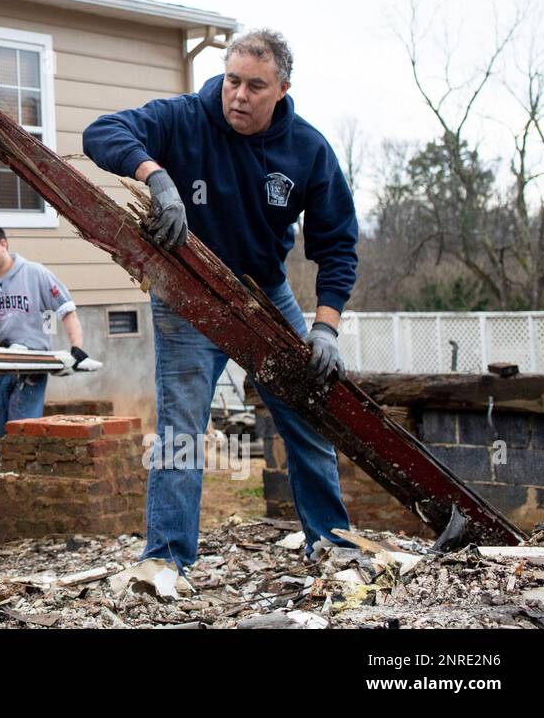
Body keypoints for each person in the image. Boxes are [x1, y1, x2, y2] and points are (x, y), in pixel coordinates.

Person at [82, 28, 358, 570]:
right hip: (188, 295)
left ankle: (332, 545)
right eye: (233, 81)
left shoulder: (307, 149)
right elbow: (101, 132)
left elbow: (338, 245)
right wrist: (156, 176)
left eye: (256, 86)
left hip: (263, 294)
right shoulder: (184, 118)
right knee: (181, 430)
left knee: (307, 413)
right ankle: (167, 561)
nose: (239, 95)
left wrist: (325, 328)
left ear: (282, 89)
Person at [0, 223, 100, 437]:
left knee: (23, 428)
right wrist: (0, 347)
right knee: (3, 430)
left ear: (3, 244)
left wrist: (77, 349)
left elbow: (67, 310)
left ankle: (22, 456)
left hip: (33, 366)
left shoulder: (35, 274)